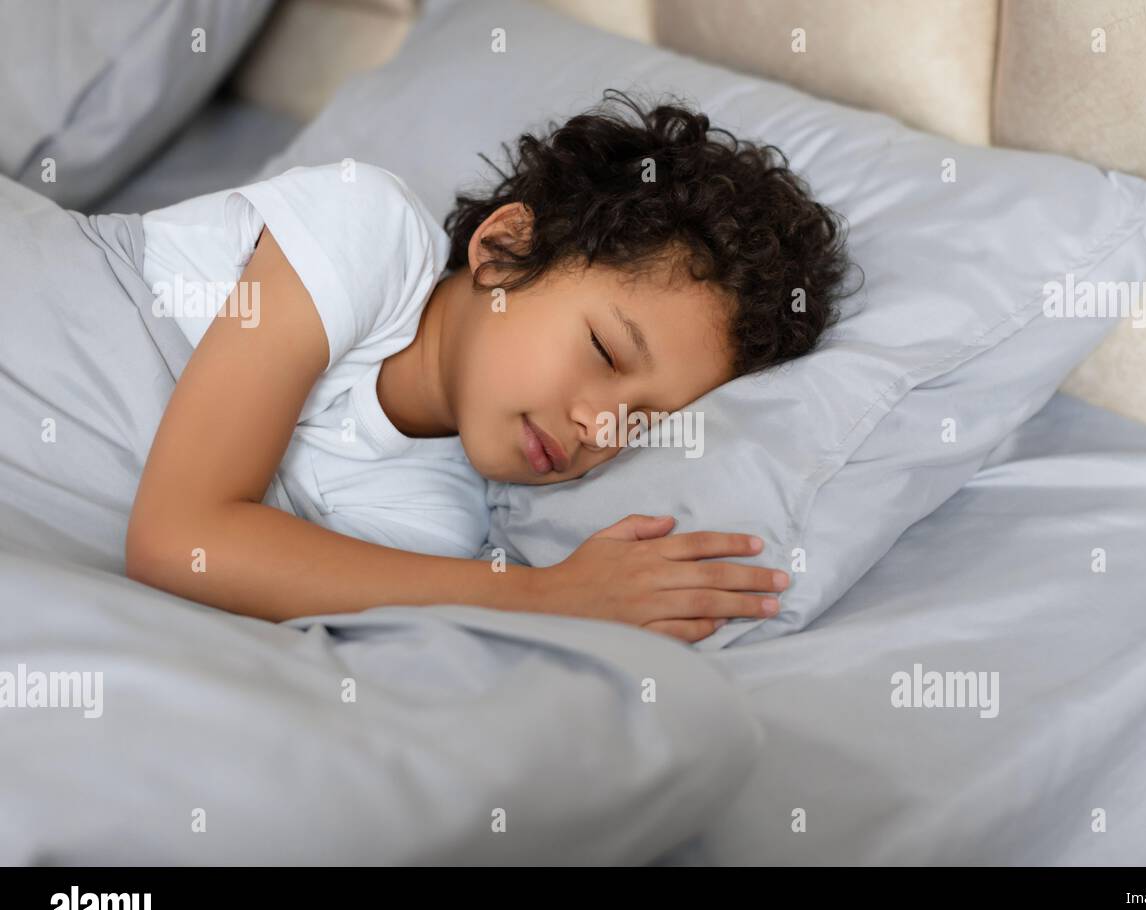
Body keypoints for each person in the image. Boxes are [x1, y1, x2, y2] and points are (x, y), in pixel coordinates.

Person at [126, 89, 857, 642]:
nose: (600, 423)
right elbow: (178, 538)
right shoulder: (369, 230)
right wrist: (545, 597)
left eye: (642, 420)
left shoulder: (436, 522)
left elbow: (234, 577)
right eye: (604, 350)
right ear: (504, 250)